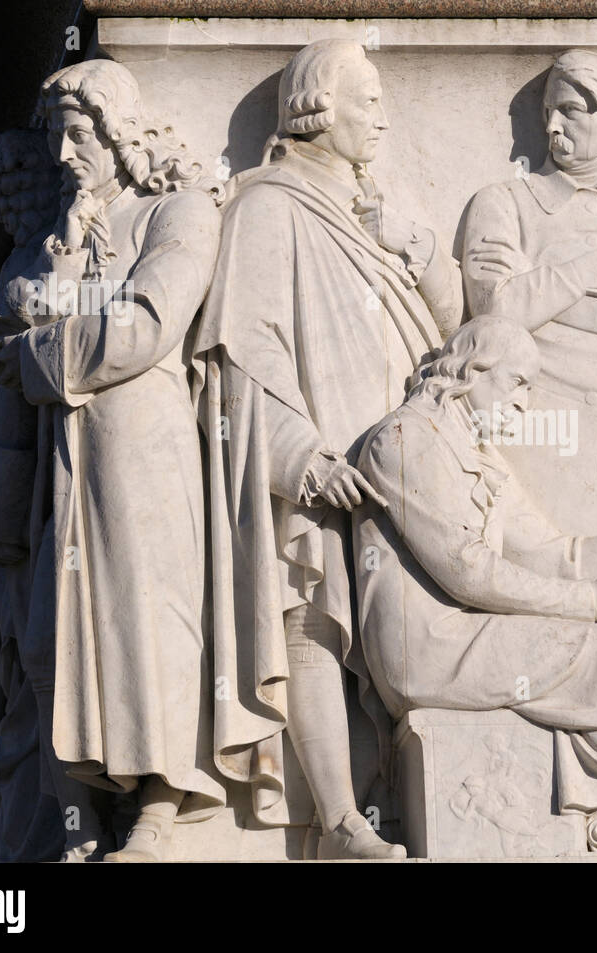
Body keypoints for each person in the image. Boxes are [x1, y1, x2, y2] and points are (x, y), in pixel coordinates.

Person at [193, 39, 460, 858]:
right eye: (367, 97)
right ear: (317, 106)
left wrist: (414, 245)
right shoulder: (266, 206)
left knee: (409, 627)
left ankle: (397, 803)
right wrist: (301, 456)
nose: (382, 114)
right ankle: (339, 817)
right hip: (324, 463)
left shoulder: (384, 209)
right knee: (312, 611)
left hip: (405, 464)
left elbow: (458, 332)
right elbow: (249, 350)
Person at [353, 316, 597, 851]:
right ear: (473, 371)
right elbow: (467, 571)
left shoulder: (476, 455)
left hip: (467, 633)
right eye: (518, 382)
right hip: (429, 648)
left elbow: (555, 555)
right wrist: (589, 602)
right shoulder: (402, 440)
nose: (525, 402)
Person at [0, 58, 226, 861]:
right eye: (55, 134)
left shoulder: (176, 213)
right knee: (54, 636)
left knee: (148, 619)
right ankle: (82, 818)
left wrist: (35, 351)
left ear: (121, 134)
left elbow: (145, 324)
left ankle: (159, 809)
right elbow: (5, 331)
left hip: (145, 448)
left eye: (79, 133)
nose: (63, 153)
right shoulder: (59, 235)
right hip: (66, 465)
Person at [462, 49, 597, 537]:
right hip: (540, 432)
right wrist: (581, 274)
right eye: (547, 112)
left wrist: (549, 295)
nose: (552, 126)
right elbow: (494, 309)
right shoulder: (505, 201)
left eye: (570, 111)